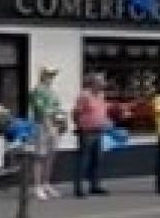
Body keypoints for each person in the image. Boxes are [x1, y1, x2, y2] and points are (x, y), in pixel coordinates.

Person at [28, 66, 65, 200]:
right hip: (41, 126)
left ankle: (46, 183)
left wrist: (61, 123)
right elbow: (41, 110)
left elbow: (57, 109)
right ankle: (37, 186)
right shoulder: (37, 91)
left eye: (52, 75)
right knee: (39, 156)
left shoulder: (52, 92)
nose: (51, 78)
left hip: (53, 126)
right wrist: (49, 127)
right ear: (42, 75)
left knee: (50, 156)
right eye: (48, 75)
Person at [73, 73, 111, 198]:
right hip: (87, 132)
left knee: (97, 159)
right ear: (93, 83)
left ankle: (94, 185)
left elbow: (102, 111)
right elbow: (76, 112)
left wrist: (106, 122)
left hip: (99, 131)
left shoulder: (101, 95)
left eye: (103, 82)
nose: (103, 84)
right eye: (100, 82)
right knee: (83, 160)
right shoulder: (84, 95)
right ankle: (78, 188)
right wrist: (79, 127)